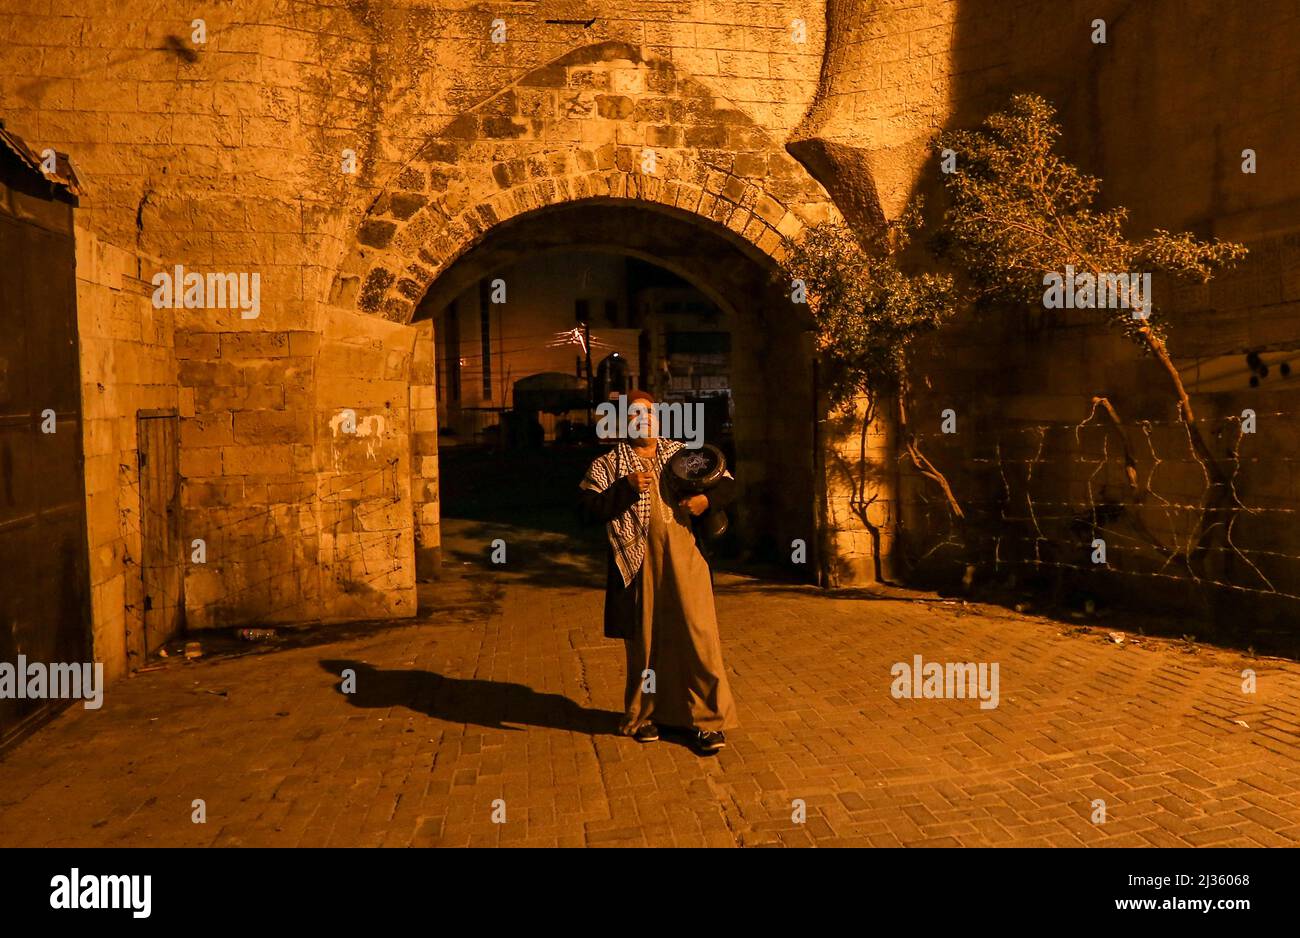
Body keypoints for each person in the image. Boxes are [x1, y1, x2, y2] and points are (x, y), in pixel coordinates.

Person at [577, 389, 739, 755]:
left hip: (686, 559)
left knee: (698, 638)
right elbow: (586, 510)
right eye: (633, 416)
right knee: (645, 644)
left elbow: (728, 482)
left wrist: (706, 501)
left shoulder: (682, 454)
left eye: (648, 414)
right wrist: (625, 488)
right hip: (636, 565)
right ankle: (645, 716)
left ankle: (705, 721)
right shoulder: (607, 465)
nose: (643, 421)